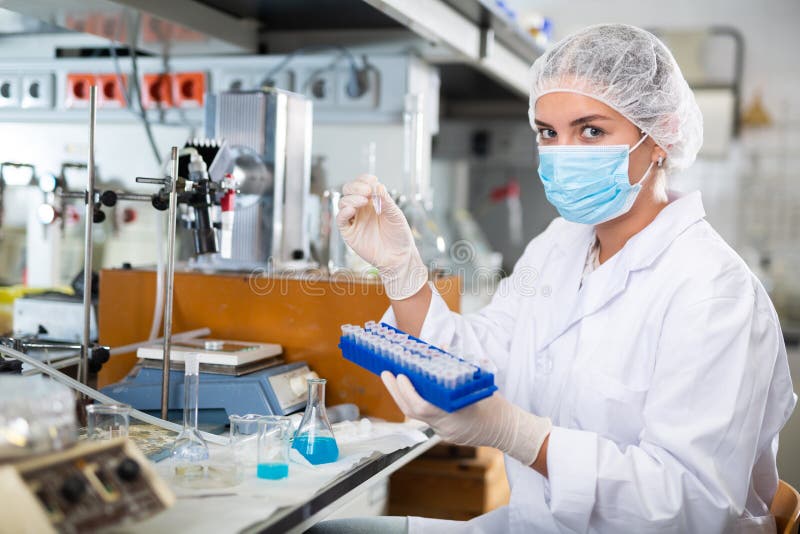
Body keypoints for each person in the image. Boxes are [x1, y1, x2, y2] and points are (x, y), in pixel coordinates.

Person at [330, 24, 796, 533]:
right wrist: (402, 270)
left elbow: (692, 507)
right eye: (548, 133)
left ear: (660, 136)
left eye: (591, 130)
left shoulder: (713, 292)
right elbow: (474, 356)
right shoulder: (559, 244)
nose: (562, 152)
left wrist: (521, 435)